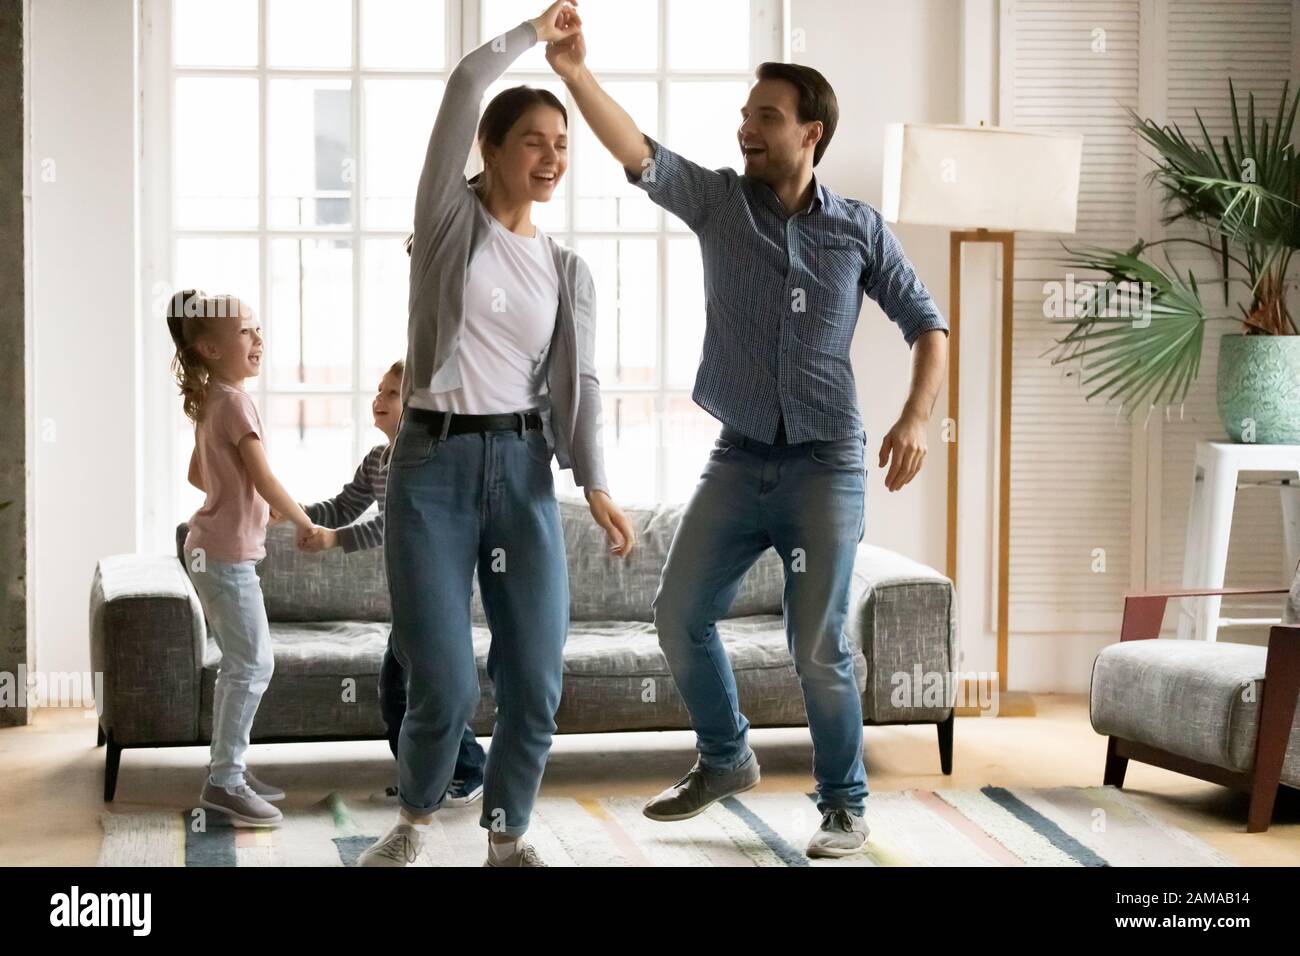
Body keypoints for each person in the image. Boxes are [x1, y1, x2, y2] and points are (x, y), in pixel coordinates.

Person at [546, 24, 949, 857]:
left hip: (828, 461)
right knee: (678, 614)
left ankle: (843, 804)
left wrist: (916, 417)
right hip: (739, 456)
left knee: (818, 644)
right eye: (744, 114)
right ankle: (726, 757)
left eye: (766, 116)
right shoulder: (720, 203)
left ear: (812, 133)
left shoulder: (859, 230)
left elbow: (928, 325)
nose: (746, 128)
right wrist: (576, 73)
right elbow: (640, 153)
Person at [358, 0, 637, 868]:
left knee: (535, 682)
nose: (552, 156)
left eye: (562, 144)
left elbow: (581, 384)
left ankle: (507, 837)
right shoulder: (449, 223)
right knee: (440, 680)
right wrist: (536, 37)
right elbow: (466, 80)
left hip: (521, 471)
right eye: (534, 141)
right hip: (433, 465)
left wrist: (594, 482)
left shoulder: (567, 271)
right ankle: (412, 824)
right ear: (489, 146)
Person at [287, 360, 487, 809]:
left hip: (437, 594)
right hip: (409, 598)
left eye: (392, 393)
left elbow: (389, 524)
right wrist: (297, 511)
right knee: (402, 692)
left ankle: (467, 772)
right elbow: (343, 506)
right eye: (378, 390)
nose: (379, 399)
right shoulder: (378, 460)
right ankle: (426, 777)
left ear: (417, 404)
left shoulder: (425, 461)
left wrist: (335, 541)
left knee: (421, 690)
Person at [168, 289, 325, 828]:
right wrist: (305, 521)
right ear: (210, 349)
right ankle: (225, 782)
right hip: (223, 555)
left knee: (244, 663)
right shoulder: (234, 401)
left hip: (210, 549)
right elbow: (262, 475)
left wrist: (246, 502)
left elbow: (199, 474)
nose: (258, 339)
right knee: (253, 663)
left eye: (258, 329)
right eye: (245, 332)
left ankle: (228, 767)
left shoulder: (214, 396)